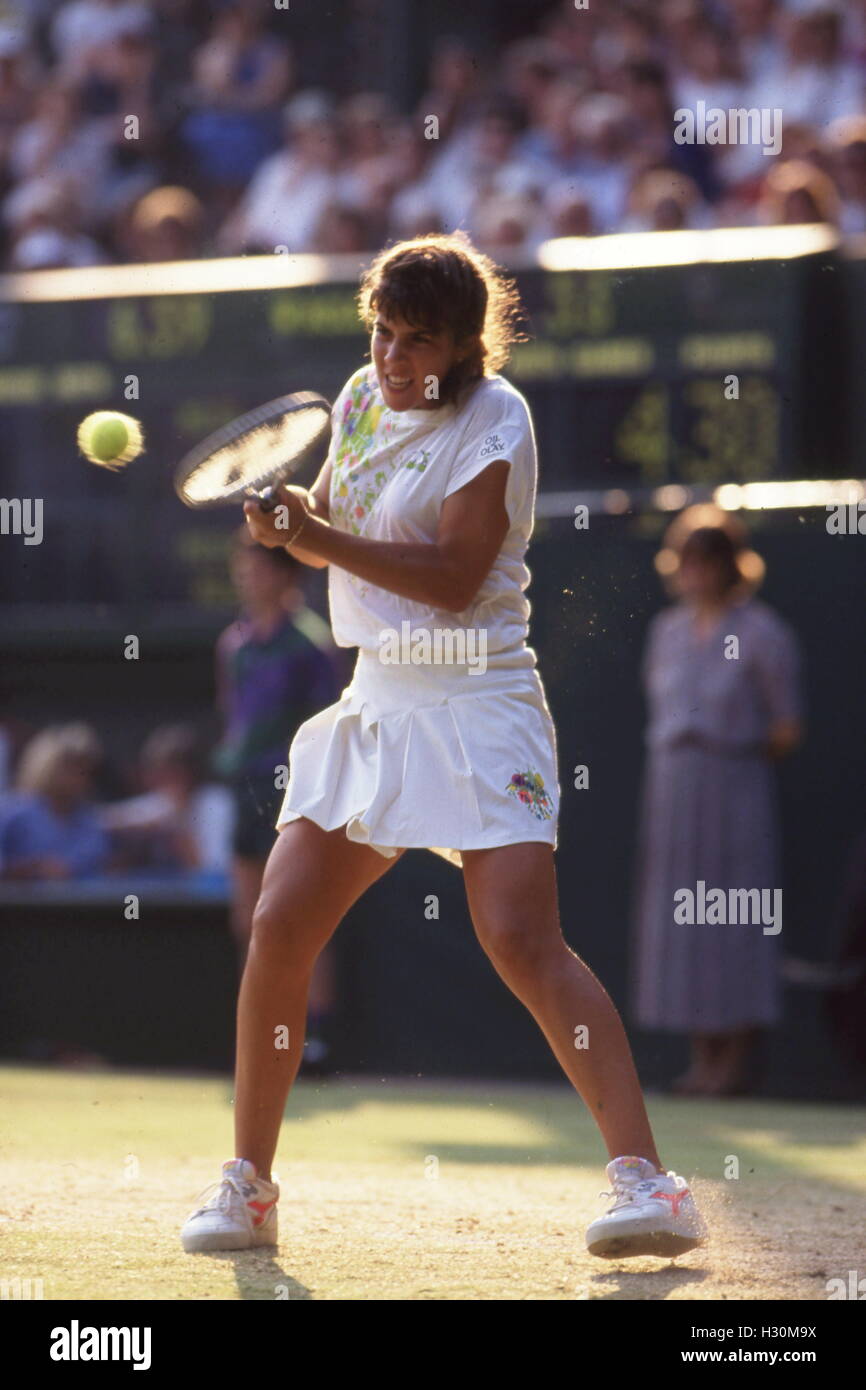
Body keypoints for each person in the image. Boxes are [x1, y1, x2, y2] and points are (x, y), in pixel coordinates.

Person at [180, 231, 707, 1260]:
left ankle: (651, 1185)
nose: (390, 356)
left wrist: (311, 540)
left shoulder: (496, 416)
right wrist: (294, 512)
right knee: (280, 925)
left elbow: (454, 575)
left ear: (465, 346)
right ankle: (249, 1187)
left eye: (415, 340)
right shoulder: (359, 396)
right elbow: (334, 512)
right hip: (375, 701)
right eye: (381, 331)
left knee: (520, 941)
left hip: (479, 700)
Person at [631, 513, 804, 1097]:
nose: (693, 574)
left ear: (728, 566)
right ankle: (699, 1058)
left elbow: (786, 726)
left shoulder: (762, 632)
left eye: (705, 561)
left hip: (735, 793)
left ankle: (734, 1061)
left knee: (733, 917)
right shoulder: (667, 631)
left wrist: (733, 753)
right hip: (672, 794)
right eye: (686, 561)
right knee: (682, 924)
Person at [213, 532, 343, 1069]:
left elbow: (326, 726)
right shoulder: (233, 645)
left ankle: (315, 1039)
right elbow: (233, 717)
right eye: (242, 567)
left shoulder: (313, 644)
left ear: (287, 576)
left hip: (296, 796)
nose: (247, 577)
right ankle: (261, 1035)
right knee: (249, 920)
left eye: (258, 568)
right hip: (245, 791)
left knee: (302, 918)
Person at [99, 723, 234, 880]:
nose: (153, 778)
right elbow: (101, 820)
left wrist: (178, 827)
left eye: (165, 771)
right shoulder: (160, 802)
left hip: (211, 897)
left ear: (187, 771)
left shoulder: (217, 802)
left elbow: (214, 871)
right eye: (153, 770)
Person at [0, 723, 108, 880]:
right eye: (72, 768)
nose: (79, 778)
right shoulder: (12, 812)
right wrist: (29, 870)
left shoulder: (88, 819)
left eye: (86, 770)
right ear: (47, 766)